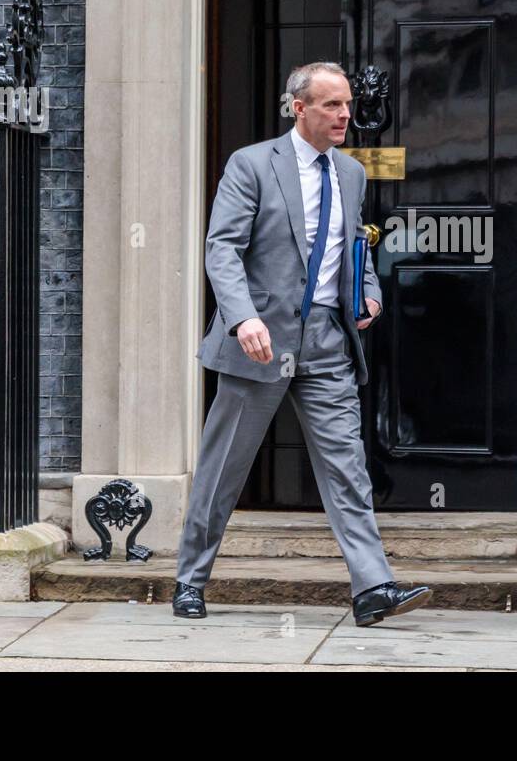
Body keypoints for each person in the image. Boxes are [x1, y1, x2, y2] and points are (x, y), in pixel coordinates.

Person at [173, 61, 432, 627]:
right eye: (332, 105)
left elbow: (353, 245)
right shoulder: (251, 164)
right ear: (299, 108)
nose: (346, 114)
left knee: (347, 467)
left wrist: (367, 291)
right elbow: (222, 249)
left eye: (345, 105)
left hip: (326, 339)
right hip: (259, 339)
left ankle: (372, 588)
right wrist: (241, 319)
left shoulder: (351, 172)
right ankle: (190, 580)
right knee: (224, 467)